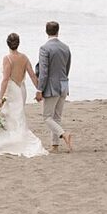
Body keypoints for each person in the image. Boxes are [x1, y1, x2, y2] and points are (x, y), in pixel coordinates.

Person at [0, 32, 48, 157]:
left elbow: (5, 79)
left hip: (12, 90)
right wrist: (40, 89)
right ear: (18, 44)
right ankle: (16, 140)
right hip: (22, 89)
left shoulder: (7, 59)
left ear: (7, 44)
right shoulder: (24, 57)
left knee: (10, 115)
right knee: (17, 115)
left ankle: (12, 142)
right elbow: (32, 75)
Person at [34, 21, 74, 152]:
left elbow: (44, 72)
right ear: (58, 31)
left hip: (51, 87)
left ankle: (63, 134)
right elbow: (67, 68)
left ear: (46, 31)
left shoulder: (45, 48)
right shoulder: (65, 47)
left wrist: (39, 89)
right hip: (63, 85)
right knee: (56, 117)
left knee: (47, 117)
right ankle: (54, 146)